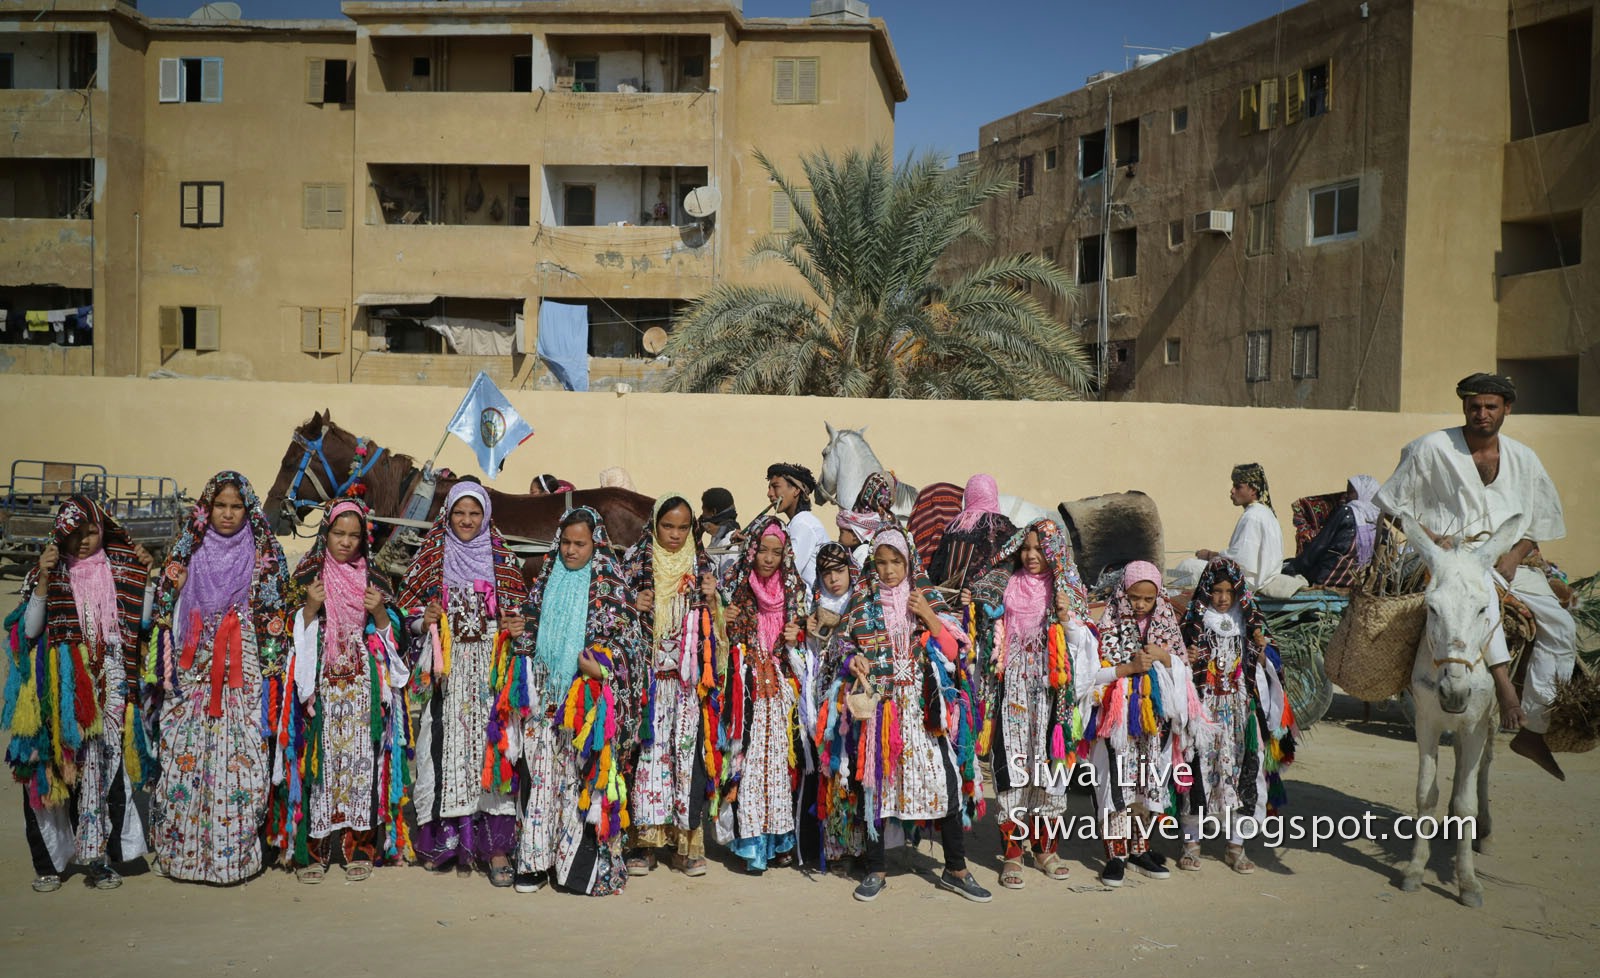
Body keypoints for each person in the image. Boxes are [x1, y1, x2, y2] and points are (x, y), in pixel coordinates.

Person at [1374, 372, 1575, 781]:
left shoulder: (1524, 459)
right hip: (1449, 560)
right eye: (1474, 406)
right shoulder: (1430, 448)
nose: (1481, 413)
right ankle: (1505, 690)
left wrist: (1516, 556)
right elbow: (1391, 505)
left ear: (1507, 409)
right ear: (1464, 406)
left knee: (1562, 627)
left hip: (1506, 560)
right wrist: (1432, 541)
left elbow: (1538, 523)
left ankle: (1532, 728)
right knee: (1474, 599)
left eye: (1491, 406)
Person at [822, 526, 991, 904]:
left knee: (943, 781)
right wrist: (854, 660)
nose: (888, 570)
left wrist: (928, 615)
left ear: (908, 560)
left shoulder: (925, 597)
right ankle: (876, 869)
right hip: (881, 711)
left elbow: (954, 651)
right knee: (877, 785)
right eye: (880, 562)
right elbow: (840, 648)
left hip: (923, 708)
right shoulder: (862, 605)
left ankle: (956, 868)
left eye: (895, 561)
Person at [5, 495, 157, 892]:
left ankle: (98, 858)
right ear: (61, 535)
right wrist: (41, 579)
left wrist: (148, 576)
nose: (85, 541)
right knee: (54, 772)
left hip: (109, 691)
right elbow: (32, 630)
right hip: (57, 695)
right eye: (75, 534)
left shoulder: (120, 568)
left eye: (92, 531)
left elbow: (141, 621)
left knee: (102, 774)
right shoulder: (50, 572)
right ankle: (50, 863)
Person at [149, 471, 290, 885]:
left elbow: (275, 610)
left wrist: (265, 663)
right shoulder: (187, 548)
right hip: (192, 664)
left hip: (241, 666)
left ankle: (234, 857)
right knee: (182, 751)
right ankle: (181, 853)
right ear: (206, 508)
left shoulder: (265, 551)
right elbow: (163, 610)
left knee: (242, 754)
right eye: (220, 506)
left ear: (248, 509)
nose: (227, 514)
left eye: (236, 506)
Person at [396, 480, 529, 885]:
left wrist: (512, 626)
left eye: (474, 513)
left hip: (490, 670)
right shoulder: (433, 556)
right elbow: (406, 616)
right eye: (459, 513)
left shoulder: (502, 560)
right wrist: (426, 618)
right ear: (448, 515)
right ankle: (449, 839)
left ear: (486, 515)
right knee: (445, 749)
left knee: (493, 749)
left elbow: (521, 613)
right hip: (447, 673)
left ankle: (498, 849)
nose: (467, 521)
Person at [501, 506, 640, 895]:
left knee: (577, 786)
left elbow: (629, 644)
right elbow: (529, 636)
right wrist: (519, 631)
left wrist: (602, 666)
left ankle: (575, 870)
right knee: (540, 782)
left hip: (584, 710)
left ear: (596, 543)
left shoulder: (611, 587)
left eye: (580, 543)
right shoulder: (545, 581)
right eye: (565, 542)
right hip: (545, 705)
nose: (571, 551)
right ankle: (532, 863)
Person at [275, 498, 411, 883]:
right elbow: (285, 631)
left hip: (362, 690)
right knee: (317, 766)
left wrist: (381, 613)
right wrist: (308, 610)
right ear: (326, 533)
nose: (346, 542)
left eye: (354, 536)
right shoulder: (308, 577)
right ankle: (313, 852)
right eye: (338, 533)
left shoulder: (376, 578)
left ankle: (360, 848)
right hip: (319, 688)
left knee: (361, 767)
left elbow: (395, 636)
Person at [965, 519, 1098, 889]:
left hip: (1052, 691)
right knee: (1013, 765)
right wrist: (976, 605)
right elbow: (983, 618)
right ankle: (1011, 852)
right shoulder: (1005, 583)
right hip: (1012, 689)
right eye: (1026, 548)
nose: (1031, 555)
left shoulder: (1066, 587)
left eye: (1040, 549)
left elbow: (1085, 643)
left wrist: (1066, 617)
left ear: (1053, 551)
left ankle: (1045, 849)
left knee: (1049, 767)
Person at [621, 494, 720, 878]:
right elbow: (611, 610)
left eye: (682, 527)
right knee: (646, 759)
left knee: (685, 763)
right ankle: (644, 844)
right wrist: (634, 604)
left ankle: (685, 846)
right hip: (648, 684)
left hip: (687, 687)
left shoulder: (703, 565)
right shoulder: (634, 562)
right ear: (654, 525)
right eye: (667, 526)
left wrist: (713, 601)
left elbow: (720, 625)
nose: (675, 535)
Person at [1178, 557, 1295, 874]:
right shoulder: (1193, 624)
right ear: (1207, 590)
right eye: (1216, 590)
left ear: (1238, 590)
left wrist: (1262, 650)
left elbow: (1271, 665)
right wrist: (1186, 657)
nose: (1223, 597)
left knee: (1240, 775)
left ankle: (1235, 847)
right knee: (1197, 774)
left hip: (1240, 715)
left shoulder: (1252, 622)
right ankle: (1191, 844)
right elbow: (1178, 663)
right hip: (1204, 714)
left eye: (1229, 590)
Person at [1087, 561, 1202, 886]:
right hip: (1118, 722)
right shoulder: (1108, 624)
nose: (1139, 604)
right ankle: (1115, 854)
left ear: (1158, 598)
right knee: (1115, 786)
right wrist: (1130, 666)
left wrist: (1165, 659)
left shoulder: (1166, 624)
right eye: (1134, 597)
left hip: (1154, 726)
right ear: (1123, 592)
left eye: (1147, 599)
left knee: (1146, 787)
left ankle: (1140, 848)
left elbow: (1182, 670)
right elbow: (1094, 674)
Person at [716, 518, 807, 873]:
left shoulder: (795, 590)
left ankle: (780, 841)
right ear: (751, 550)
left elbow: (806, 637)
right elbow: (721, 635)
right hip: (748, 692)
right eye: (763, 550)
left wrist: (797, 636)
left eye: (776, 551)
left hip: (783, 691)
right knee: (748, 766)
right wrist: (725, 619)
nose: (768, 558)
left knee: (781, 769)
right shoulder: (736, 588)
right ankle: (750, 844)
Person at [799, 542, 859, 866]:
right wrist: (808, 630)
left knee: (850, 771)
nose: (834, 579)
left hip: (853, 699)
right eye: (827, 573)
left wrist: (836, 625)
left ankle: (856, 847)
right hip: (822, 700)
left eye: (839, 570)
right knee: (829, 771)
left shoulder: (861, 601)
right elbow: (811, 655)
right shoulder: (813, 601)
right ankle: (832, 848)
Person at [1182, 463, 1302, 597]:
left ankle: (1171, 613)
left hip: (1250, 581)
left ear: (1253, 490)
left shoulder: (1252, 516)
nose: (1232, 491)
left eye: (1238, 487)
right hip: (1259, 577)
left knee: (1187, 567)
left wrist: (1209, 555)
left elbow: (1240, 561)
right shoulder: (1264, 513)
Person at [1283, 476, 1381, 586]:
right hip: (1358, 582)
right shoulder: (1378, 518)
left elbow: (1320, 545)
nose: (1346, 497)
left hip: (1329, 578)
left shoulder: (1347, 512)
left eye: (1350, 492)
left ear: (1364, 493)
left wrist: (1292, 569)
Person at [926, 474, 1017, 591]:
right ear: (993, 494)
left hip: (948, 596)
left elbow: (937, 568)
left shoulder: (954, 526)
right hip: (982, 597)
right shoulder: (999, 524)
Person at [765, 462, 827, 590]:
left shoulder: (803, 524)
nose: (770, 494)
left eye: (775, 486)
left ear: (796, 490)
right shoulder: (796, 523)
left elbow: (789, 570)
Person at [698, 487, 740, 580]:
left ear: (713, 512)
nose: (702, 516)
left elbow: (726, 581)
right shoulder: (717, 537)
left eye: (703, 511)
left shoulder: (731, 541)